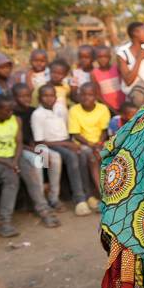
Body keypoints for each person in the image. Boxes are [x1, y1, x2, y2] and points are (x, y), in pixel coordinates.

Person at [0, 92, 52, 236]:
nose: (11, 112)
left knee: (31, 175)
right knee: (11, 180)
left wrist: (14, 161)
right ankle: (4, 223)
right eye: (7, 110)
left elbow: (19, 143)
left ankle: (44, 211)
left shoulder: (16, 119)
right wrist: (7, 163)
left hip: (15, 157)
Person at [33, 82, 95, 215]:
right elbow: (39, 142)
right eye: (45, 96)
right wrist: (67, 145)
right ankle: (79, 200)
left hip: (65, 142)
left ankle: (88, 195)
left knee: (83, 153)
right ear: (39, 98)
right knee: (72, 156)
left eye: (52, 96)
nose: (49, 98)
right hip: (49, 146)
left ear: (56, 97)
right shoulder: (37, 114)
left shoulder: (60, 108)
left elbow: (67, 130)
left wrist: (71, 144)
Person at [13, 82, 63, 218]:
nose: (26, 99)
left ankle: (53, 198)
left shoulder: (32, 111)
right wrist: (35, 149)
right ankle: (40, 202)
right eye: (21, 96)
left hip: (33, 146)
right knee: (38, 160)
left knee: (55, 157)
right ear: (14, 97)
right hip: (20, 149)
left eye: (28, 96)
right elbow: (15, 141)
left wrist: (38, 148)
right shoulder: (11, 113)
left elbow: (34, 136)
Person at [68, 83, 110, 196]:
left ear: (96, 96)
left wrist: (99, 144)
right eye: (83, 94)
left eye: (90, 95)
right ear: (79, 96)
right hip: (83, 143)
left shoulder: (102, 108)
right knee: (92, 157)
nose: (86, 97)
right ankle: (102, 193)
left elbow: (104, 131)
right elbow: (75, 134)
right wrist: (92, 145)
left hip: (100, 142)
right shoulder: (74, 110)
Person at [116, 23, 144, 113]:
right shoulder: (123, 54)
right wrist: (139, 59)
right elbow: (128, 81)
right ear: (135, 33)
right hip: (135, 99)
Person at [91, 45, 125, 112]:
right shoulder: (94, 73)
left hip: (123, 105)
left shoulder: (117, 68)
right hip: (107, 108)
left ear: (110, 57)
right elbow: (98, 95)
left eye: (105, 57)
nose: (103, 59)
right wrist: (110, 109)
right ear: (96, 58)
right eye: (100, 57)